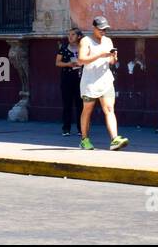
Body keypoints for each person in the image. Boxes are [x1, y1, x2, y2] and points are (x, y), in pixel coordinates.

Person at [77, 16, 128, 151]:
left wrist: (113, 57)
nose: (103, 31)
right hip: (90, 82)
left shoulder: (108, 41)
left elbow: (111, 61)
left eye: (105, 29)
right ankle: (84, 139)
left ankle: (114, 139)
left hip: (105, 80)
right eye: (101, 29)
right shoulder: (85, 41)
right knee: (87, 110)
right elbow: (81, 60)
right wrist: (100, 55)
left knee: (109, 109)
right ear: (94, 28)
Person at [55, 28, 83, 136]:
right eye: (69, 35)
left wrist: (81, 64)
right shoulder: (64, 48)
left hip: (80, 78)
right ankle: (66, 128)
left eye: (73, 35)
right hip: (67, 78)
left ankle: (81, 129)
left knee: (80, 104)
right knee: (67, 104)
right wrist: (68, 64)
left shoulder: (83, 48)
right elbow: (57, 62)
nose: (70, 37)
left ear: (79, 36)